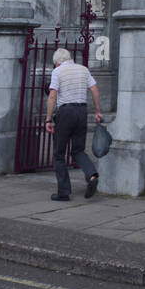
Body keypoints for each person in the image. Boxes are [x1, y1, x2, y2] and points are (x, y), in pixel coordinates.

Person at [45, 48, 102, 202]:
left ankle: (64, 192)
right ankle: (91, 175)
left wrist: (49, 119)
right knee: (78, 150)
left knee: (58, 154)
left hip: (65, 112)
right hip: (82, 111)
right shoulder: (83, 69)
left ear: (56, 62)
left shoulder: (57, 72)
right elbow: (94, 89)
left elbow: (52, 95)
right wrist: (97, 111)